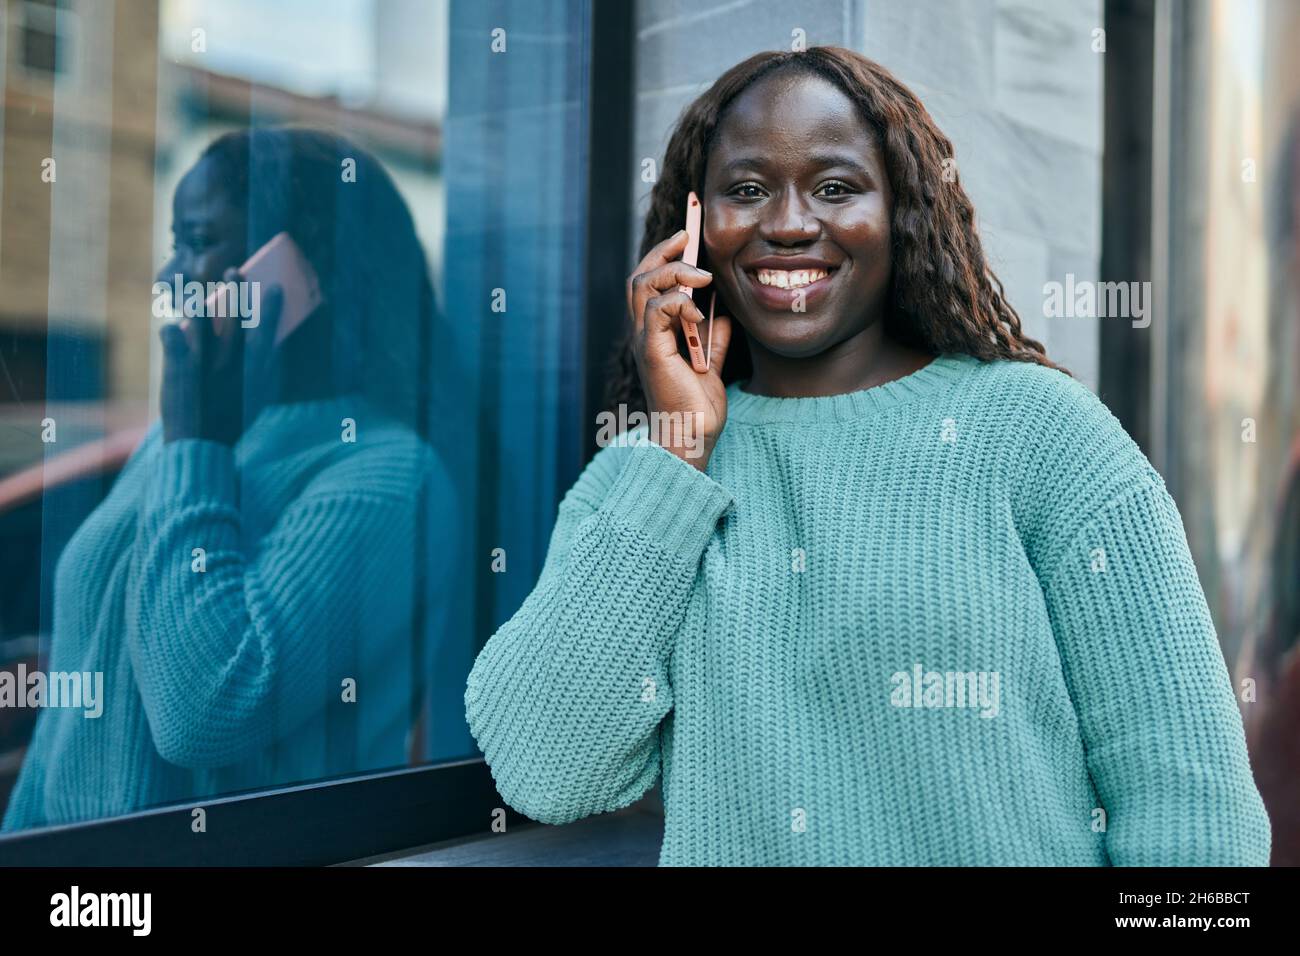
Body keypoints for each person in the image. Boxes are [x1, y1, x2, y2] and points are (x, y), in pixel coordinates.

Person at [463, 47, 1272, 865]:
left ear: (905, 212)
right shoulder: (643, 476)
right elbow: (545, 770)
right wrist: (677, 458)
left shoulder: (1041, 433)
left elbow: (1192, 805)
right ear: (694, 226)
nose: (786, 223)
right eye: (747, 191)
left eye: (836, 187)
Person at [2, 127, 456, 830]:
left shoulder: (389, 479)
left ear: (304, 270)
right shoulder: (185, 435)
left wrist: (200, 444)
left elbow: (203, 711)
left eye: (197, 240)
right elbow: (142, 631)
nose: (168, 278)